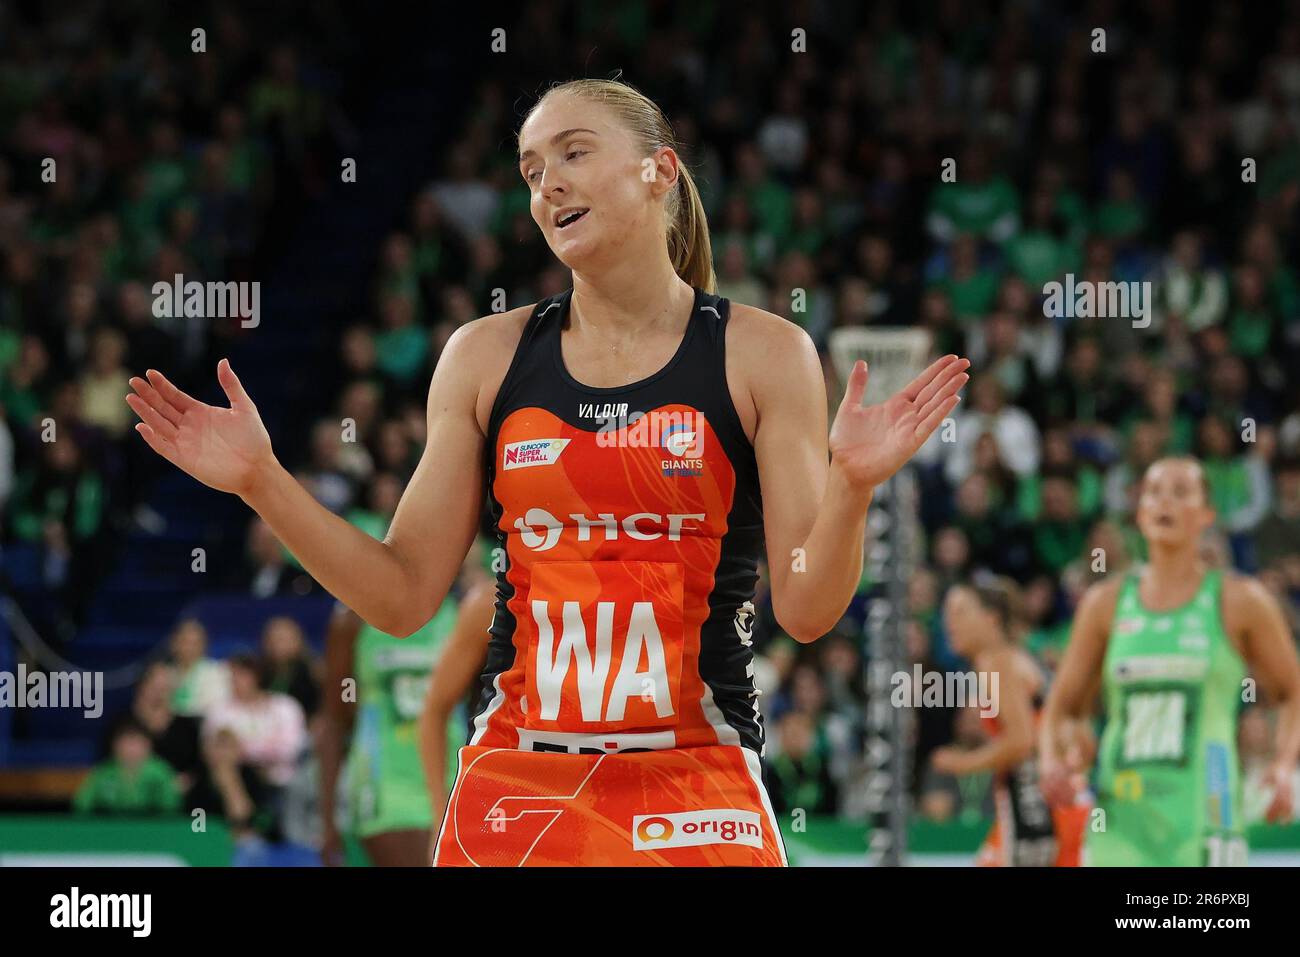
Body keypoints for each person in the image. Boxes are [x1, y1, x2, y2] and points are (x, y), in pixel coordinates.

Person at [125, 77, 968, 867]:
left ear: (658, 171)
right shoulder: (485, 355)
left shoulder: (763, 350)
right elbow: (403, 593)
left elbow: (809, 610)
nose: (548, 185)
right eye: (532, 170)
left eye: (572, 153)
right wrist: (261, 480)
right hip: (519, 780)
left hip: (696, 774)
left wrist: (854, 485)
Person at [1040, 457, 1300, 866]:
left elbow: (1291, 692)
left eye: (1181, 492)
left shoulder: (1240, 601)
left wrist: (1284, 765)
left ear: (1206, 514)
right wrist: (1058, 756)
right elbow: (1064, 707)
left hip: (1208, 813)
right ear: (1140, 513)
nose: (1165, 502)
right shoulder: (1105, 604)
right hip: (1120, 818)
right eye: (1154, 492)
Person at [930, 578, 1087, 866]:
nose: (950, 622)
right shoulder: (1015, 658)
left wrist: (962, 763)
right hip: (1057, 804)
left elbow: (1021, 741)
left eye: (961, 612)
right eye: (946, 613)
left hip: (1040, 809)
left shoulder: (997, 660)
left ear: (991, 618)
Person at [317, 594, 459, 867]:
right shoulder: (350, 620)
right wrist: (327, 820)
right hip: (383, 781)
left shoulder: (466, 610)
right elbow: (333, 721)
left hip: (451, 775)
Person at [417, 576, 496, 864]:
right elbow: (434, 711)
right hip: (499, 796)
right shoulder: (490, 604)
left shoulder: (636, 590)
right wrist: (440, 815)